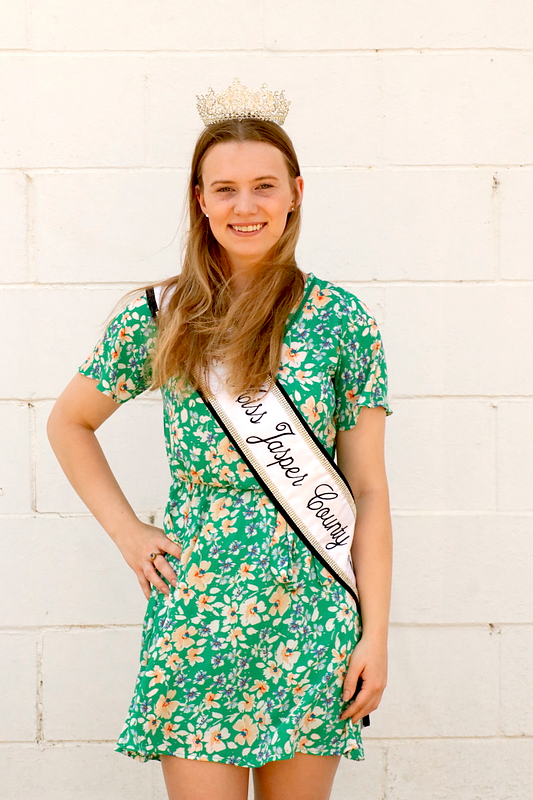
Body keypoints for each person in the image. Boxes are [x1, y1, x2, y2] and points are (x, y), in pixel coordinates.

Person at [47, 79, 393, 800]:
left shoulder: (341, 320)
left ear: (295, 192)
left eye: (264, 186)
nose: (245, 206)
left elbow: (367, 490)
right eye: (225, 189)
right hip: (197, 605)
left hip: (312, 608)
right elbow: (69, 423)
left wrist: (374, 635)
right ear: (199, 199)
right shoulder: (159, 316)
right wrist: (128, 533)